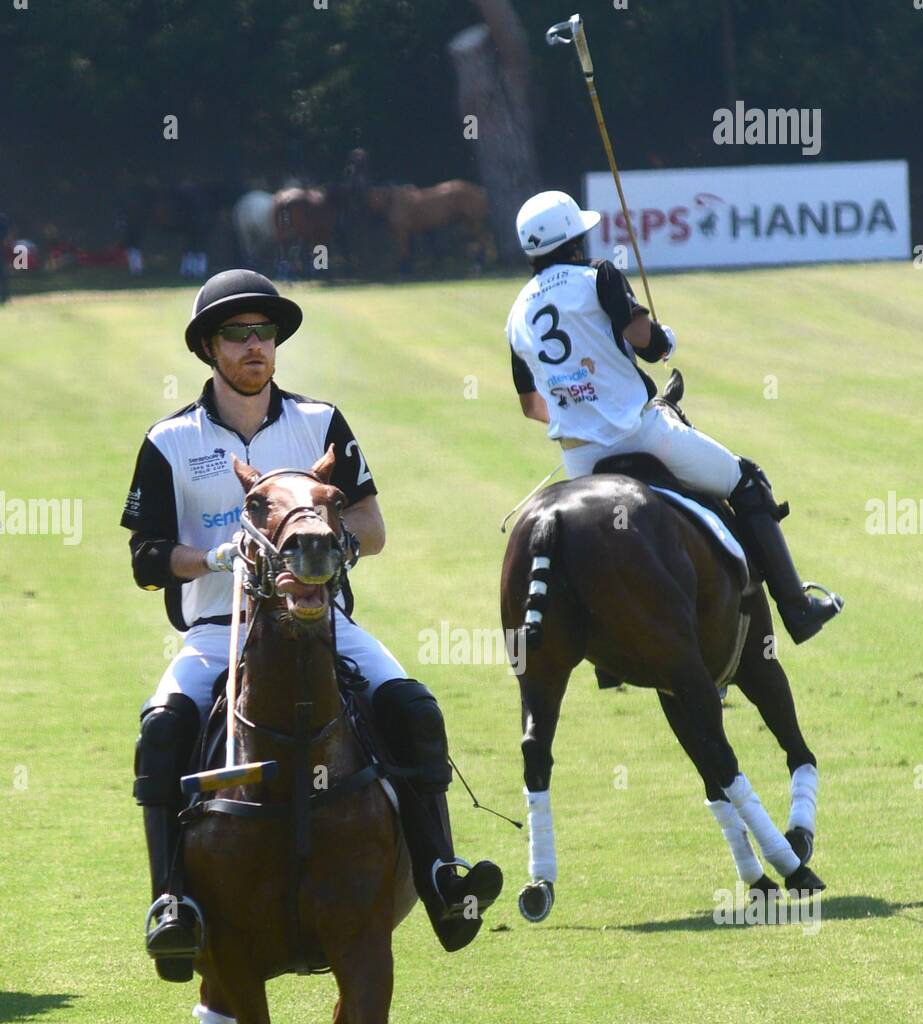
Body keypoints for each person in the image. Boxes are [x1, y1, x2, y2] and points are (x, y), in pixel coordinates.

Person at [122, 269, 502, 975]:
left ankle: (442, 879)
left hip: (321, 620)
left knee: (414, 708)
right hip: (216, 633)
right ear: (209, 348)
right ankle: (170, 903)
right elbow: (146, 558)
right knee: (162, 732)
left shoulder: (320, 422)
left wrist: (331, 549)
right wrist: (214, 553)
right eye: (236, 335)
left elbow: (371, 523)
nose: (253, 346)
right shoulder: (169, 440)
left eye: (263, 333)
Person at [506, 190, 843, 644]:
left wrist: (579, 409)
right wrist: (664, 342)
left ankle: (609, 658)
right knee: (746, 480)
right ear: (574, 242)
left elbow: (531, 405)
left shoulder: (516, 314)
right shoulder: (598, 275)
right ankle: (797, 608)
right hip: (644, 435)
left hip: (580, 464)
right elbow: (646, 342)